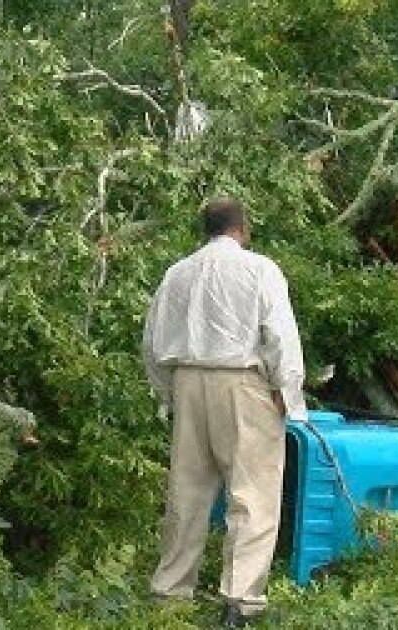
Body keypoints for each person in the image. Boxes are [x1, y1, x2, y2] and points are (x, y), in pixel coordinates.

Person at [143, 198, 307, 627]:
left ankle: (171, 592)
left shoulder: (177, 273)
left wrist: (169, 392)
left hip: (187, 380)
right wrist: (286, 391)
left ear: (206, 229)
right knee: (252, 492)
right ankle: (239, 599)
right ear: (243, 228)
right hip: (242, 382)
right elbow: (281, 336)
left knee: (187, 490)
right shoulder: (260, 270)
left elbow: (151, 342)